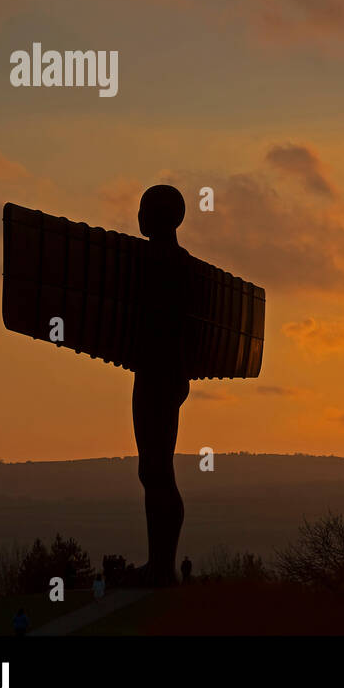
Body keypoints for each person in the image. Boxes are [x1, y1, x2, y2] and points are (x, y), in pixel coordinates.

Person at [132, 185, 192, 587]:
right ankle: (159, 564)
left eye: (142, 209)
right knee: (155, 468)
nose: (137, 216)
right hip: (170, 374)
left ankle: (161, 568)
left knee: (156, 469)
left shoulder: (151, 261)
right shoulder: (183, 262)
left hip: (157, 372)